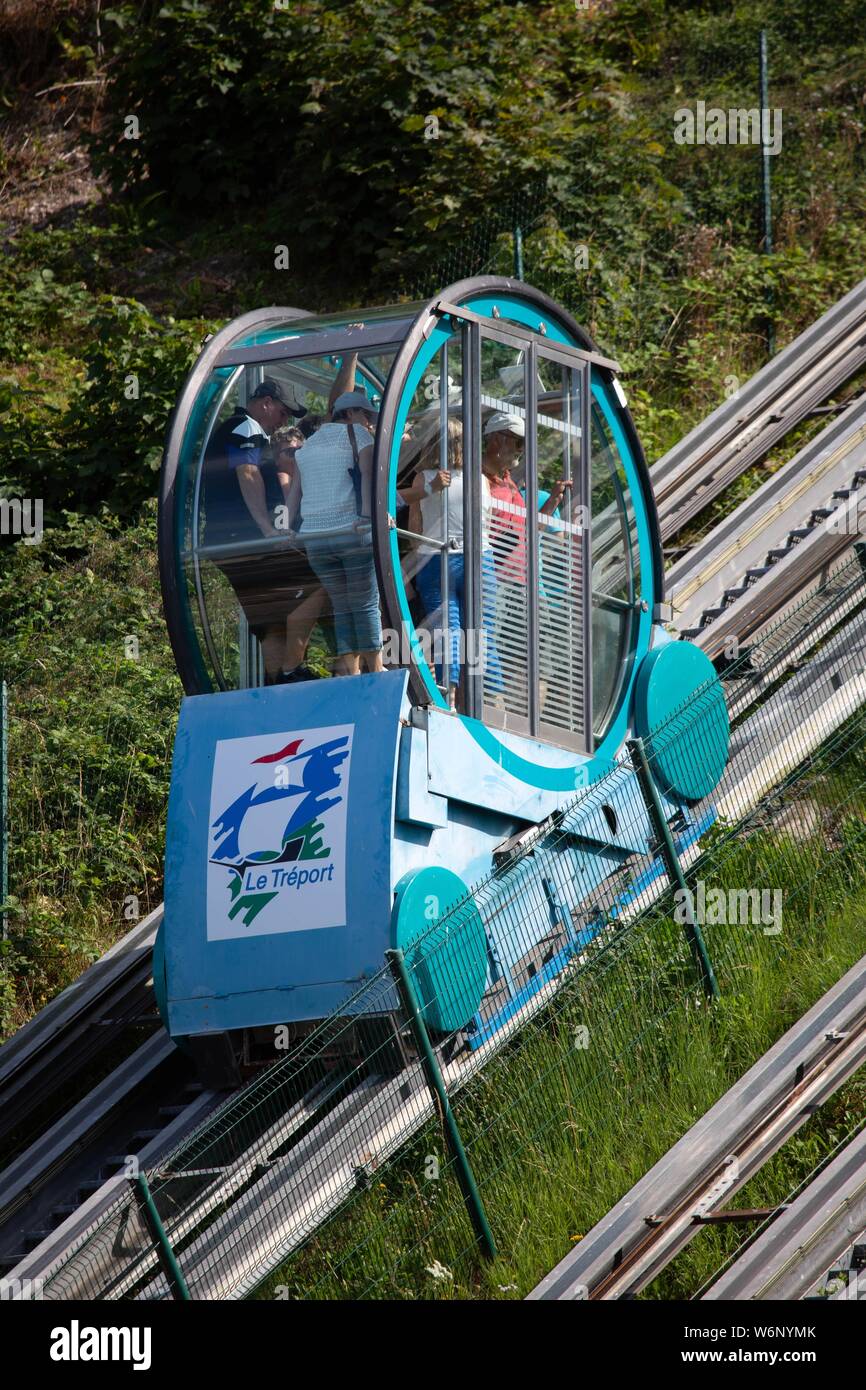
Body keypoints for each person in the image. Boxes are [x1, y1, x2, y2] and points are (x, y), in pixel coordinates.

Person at [203, 378, 306, 683]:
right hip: (242, 539)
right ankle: (288, 674)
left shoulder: (244, 429)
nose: (283, 421)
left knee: (271, 619)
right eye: (283, 413)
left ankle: (278, 683)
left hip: (234, 540)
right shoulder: (246, 428)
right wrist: (266, 529)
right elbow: (247, 472)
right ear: (266, 403)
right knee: (312, 587)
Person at [401, 419, 501, 709]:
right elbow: (488, 522)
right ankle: (492, 697)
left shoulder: (423, 479)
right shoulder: (479, 479)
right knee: (482, 629)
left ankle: (450, 697)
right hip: (479, 558)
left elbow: (416, 527)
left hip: (436, 558)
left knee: (448, 631)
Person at [286, 389, 384, 676]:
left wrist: (286, 528)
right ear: (350, 414)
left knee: (342, 606)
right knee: (365, 603)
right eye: (366, 415)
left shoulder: (308, 446)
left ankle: (351, 671)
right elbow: (367, 476)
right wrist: (366, 516)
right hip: (350, 531)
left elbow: (295, 491)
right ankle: (376, 670)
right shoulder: (359, 436)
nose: (368, 423)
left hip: (314, 539)